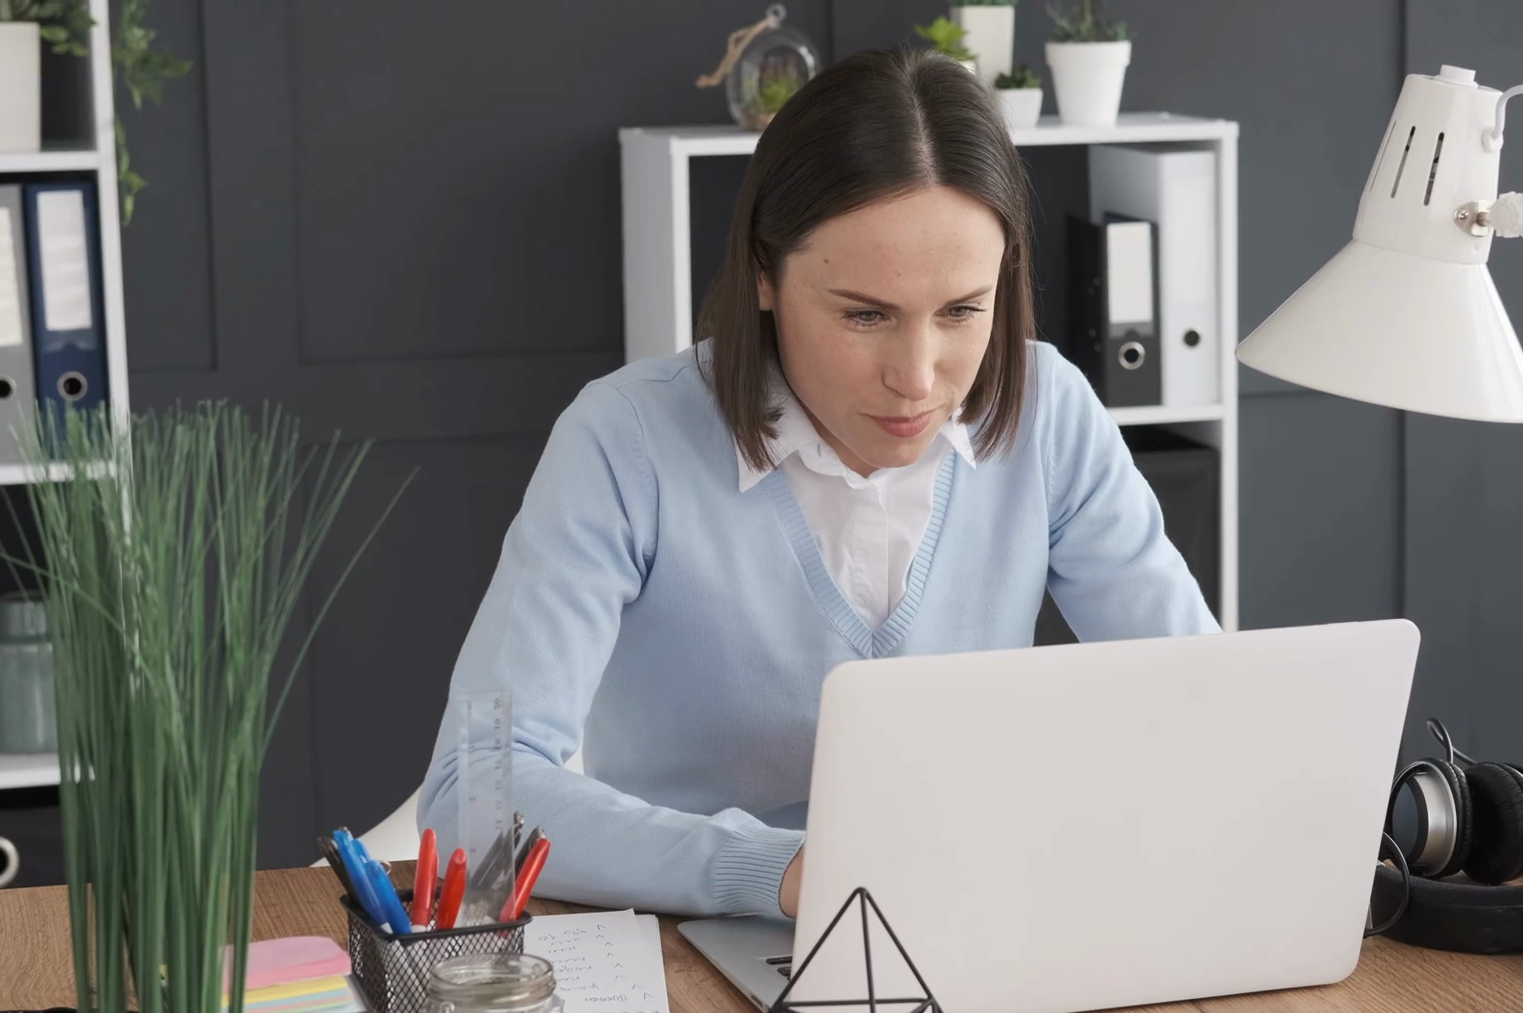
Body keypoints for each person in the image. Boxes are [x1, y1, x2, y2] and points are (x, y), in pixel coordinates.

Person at [417, 47, 1217, 921]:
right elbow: (474, 802)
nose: (917, 377)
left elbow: (1207, 702)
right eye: (865, 314)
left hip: (972, 927)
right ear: (765, 273)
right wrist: (782, 872)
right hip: (699, 942)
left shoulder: (1050, 410)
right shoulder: (625, 442)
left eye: (961, 311)